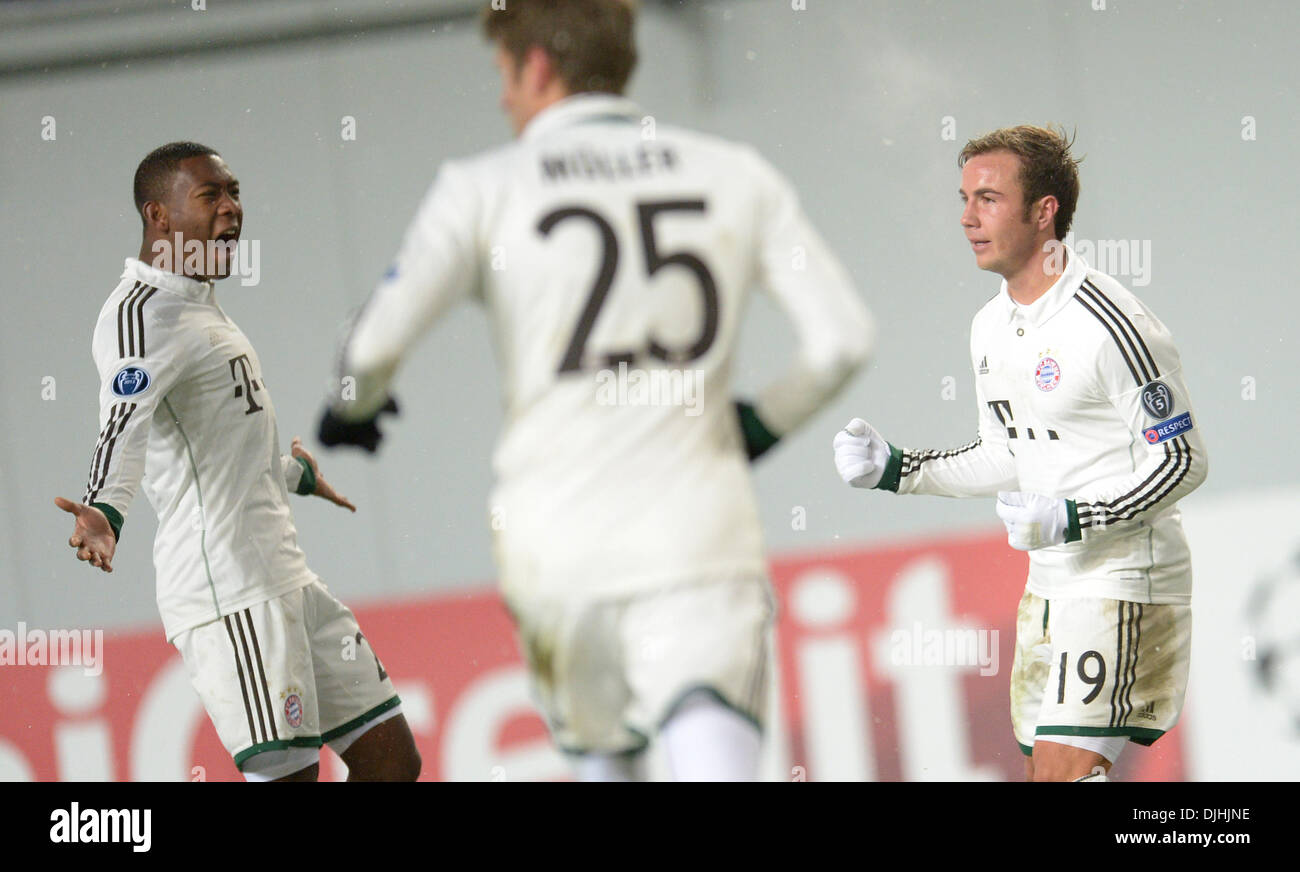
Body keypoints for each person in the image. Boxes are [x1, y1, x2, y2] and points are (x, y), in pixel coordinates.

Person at [318, 0, 873, 781]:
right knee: (710, 732)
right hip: (695, 535)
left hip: (556, 545)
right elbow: (844, 338)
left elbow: (371, 346)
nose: (504, 97)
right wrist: (756, 426)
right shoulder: (733, 172)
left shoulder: (481, 188)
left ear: (536, 65)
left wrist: (353, 409)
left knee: (603, 760)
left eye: (503, 76)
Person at [833, 125, 1207, 782]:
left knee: (1063, 775)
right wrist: (898, 470)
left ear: (1044, 211)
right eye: (964, 198)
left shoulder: (1110, 324)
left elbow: (1182, 461)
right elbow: (1006, 454)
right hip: (1049, 586)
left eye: (988, 199)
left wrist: (1074, 517)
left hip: (1122, 583)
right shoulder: (990, 325)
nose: (966, 217)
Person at [55, 142, 420, 782]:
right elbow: (124, 421)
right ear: (158, 216)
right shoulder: (141, 314)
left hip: (285, 576)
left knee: (392, 761)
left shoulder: (197, 305)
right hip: (231, 590)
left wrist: (293, 474)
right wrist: (105, 509)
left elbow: (213, 456)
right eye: (210, 196)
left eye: (235, 192)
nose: (232, 209)